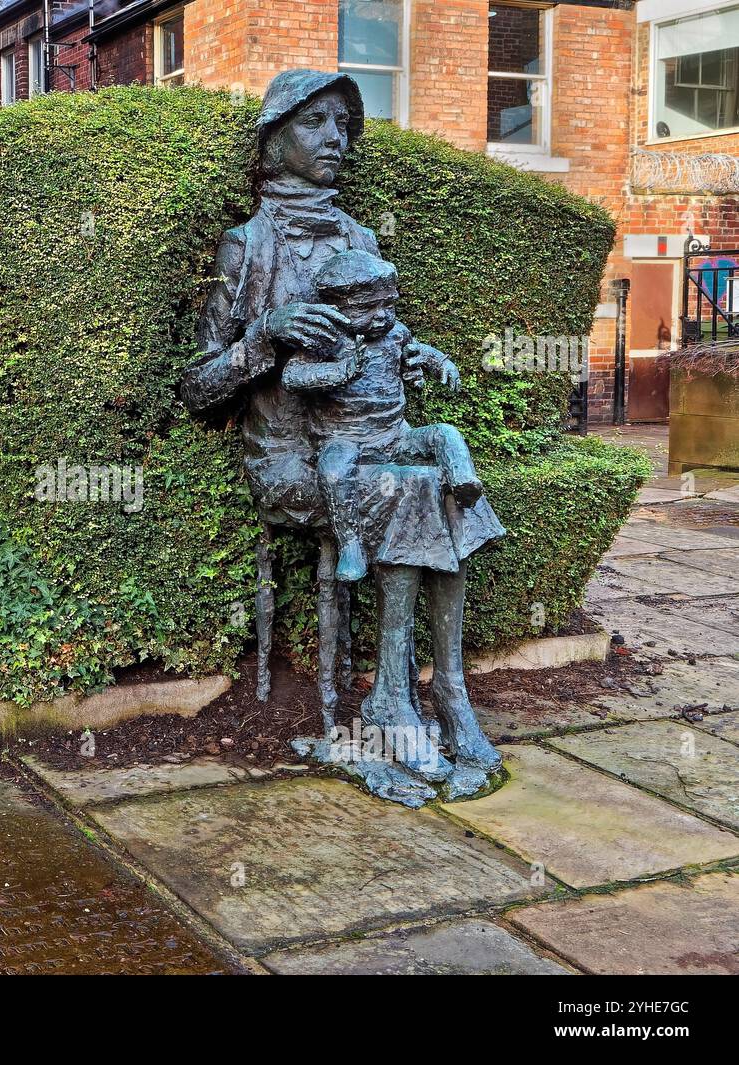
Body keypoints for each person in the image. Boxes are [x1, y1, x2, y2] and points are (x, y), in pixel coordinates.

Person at [180, 70, 506, 805]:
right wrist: (265, 334)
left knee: (437, 484)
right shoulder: (248, 244)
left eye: (343, 125)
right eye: (315, 122)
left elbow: (385, 337)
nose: (336, 138)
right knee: (411, 488)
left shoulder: (359, 238)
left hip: (369, 442)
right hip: (293, 460)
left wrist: (414, 356)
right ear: (275, 138)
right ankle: (395, 699)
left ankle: (445, 692)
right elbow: (196, 389)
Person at [282, 249, 486, 584]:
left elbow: (419, 350)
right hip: (343, 439)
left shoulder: (397, 333)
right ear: (336, 307)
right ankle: (351, 546)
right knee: (334, 471)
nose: (381, 316)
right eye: (367, 307)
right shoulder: (325, 339)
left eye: (387, 305)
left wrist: (442, 363)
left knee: (446, 434)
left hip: (395, 434)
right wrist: (340, 371)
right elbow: (293, 377)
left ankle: (464, 482)